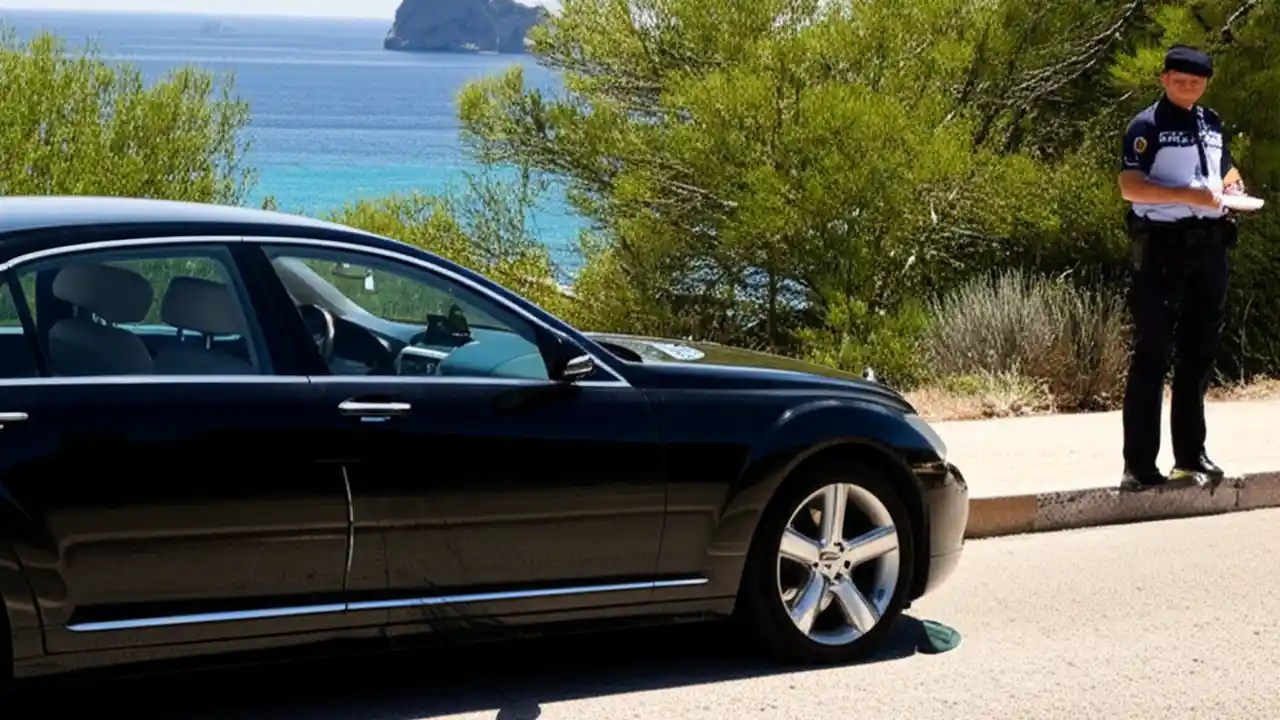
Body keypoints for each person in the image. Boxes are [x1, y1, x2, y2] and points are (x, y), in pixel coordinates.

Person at [1116, 45, 1247, 490]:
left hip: (1209, 249)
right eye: (1180, 79)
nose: (1188, 86)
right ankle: (1139, 466)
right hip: (1164, 249)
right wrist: (1188, 196)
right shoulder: (1146, 125)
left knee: (1198, 356)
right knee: (1152, 355)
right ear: (1164, 79)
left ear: (1205, 83)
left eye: (1196, 81)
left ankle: (1190, 457)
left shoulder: (1210, 122)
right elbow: (1130, 186)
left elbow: (1224, 168)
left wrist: (1234, 185)